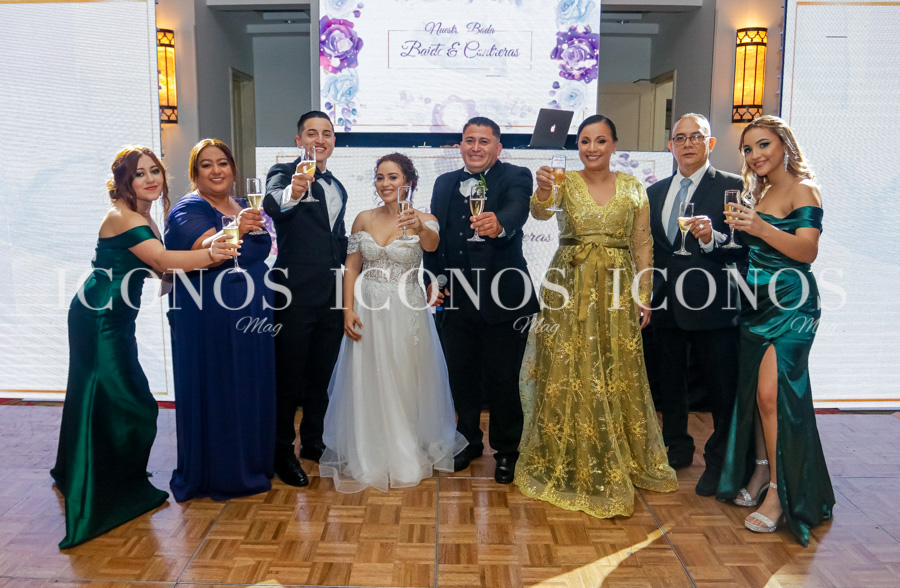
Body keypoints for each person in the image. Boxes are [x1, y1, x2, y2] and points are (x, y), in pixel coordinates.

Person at [51, 146, 236, 548]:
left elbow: (160, 268)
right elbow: (165, 261)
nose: (151, 179)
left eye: (155, 172)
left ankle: (89, 472)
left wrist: (209, 251)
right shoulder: (123, 217)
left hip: (115, 318)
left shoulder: (143, 215)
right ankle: (107, 491)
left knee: (99, 397)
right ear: (123, 182)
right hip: (99, 318)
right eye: (140, 174)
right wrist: (212, 253)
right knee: (131, 403)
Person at [513, 115, 677, 517]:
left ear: (614, 144)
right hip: (568, 284)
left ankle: (619, 451)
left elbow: (642, 244)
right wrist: (542, 189)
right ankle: (564, 452)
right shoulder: (562, 182)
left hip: (619, 288)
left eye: (600, 140)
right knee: (567, 366)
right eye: (584, 141)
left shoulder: (633, 187)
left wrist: (644, 295)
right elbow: (540, 214)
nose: (591, 148)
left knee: (614, 365)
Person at [319, 153, 468, 492]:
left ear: (408, 182)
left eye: (393, 177)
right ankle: (370, 447)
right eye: (380, 177)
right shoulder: (363, 219)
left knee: (404, 376)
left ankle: (406, 445)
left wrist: (416, 225)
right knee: (369, 376)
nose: (385, 184)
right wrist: (347, 309)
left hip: (406, 307)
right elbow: (352, 267)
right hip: (367, 307)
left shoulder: (425, 219)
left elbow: (431, 245)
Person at [717, 115, 833, 546]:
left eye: (763, 145)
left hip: (793, 303)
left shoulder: (804, 188)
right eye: (748, 149)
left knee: (772, 395)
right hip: (756, 303)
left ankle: (781, 495)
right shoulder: (759, 190)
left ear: (784, 144)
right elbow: (755, 249)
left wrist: (760, 227)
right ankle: (762, 470)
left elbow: (807, 249)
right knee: (756, 396)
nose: (755, 155)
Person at [424, 116, 539, 484]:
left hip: (504, 298)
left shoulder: (517, 176)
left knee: (504, 380)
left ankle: (507, 451)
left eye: (484, 141)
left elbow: (517, 210)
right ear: (460, 145)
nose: (475, 147)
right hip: (456, 297)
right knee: (461, 376)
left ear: (498, 147)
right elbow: (435, 239)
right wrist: (434, 281)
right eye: (469, 139)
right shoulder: (444, 184)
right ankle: (468, 441)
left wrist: (499, 224)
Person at [165, 138, 275, 501]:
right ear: (195, 173)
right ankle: (224, 473)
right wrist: (239, 229)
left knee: (249, 385)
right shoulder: (187, 209)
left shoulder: (244, 205)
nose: (216, 171)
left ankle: (253, 462)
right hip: (209, 317)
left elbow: (267, 251)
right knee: (220, 388)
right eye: (207, 165)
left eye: (223, 163)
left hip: (252, 314)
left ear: (233, 169)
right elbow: (213, 250)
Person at [646, 113, 747, 496]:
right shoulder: (654, 193)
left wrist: (711, 238)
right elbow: (655, 252)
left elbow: (741, 250)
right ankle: (677, 446)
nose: (687, 144)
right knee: (670, 383)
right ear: (670, 145)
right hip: (666, 305)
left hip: (715, 306)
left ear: (711, 143)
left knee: (722, 388)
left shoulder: (733, 188)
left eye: (696, 137)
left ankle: (721, 460)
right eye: (680, 138)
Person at [263, 111, 349, 487]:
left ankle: (313, 442)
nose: (320, 139)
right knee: (288, 378)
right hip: (293, 293)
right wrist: (296, 190)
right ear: (298, 140)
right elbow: (273, 204)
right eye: (311, 133)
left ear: (333, 141)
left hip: (331, 295)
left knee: (321, 376)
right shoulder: (284, 173)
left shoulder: (339, 186)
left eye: (327, 133)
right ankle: (281, 452)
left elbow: (338, 241)